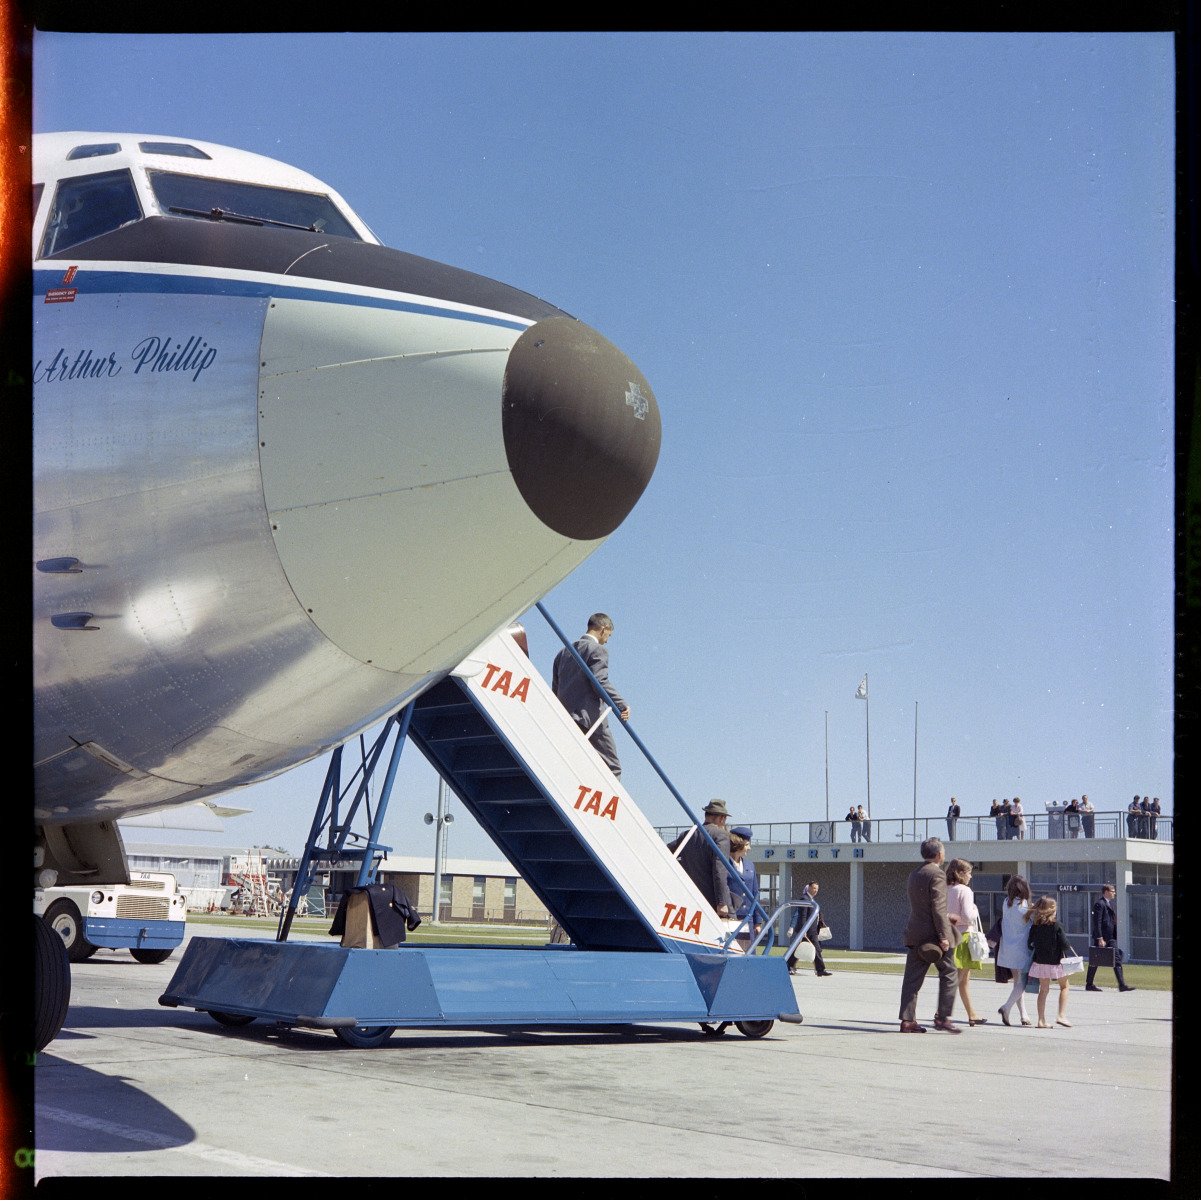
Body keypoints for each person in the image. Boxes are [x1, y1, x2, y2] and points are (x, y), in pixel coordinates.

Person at [551, 612, 630, 777]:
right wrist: (621, 705)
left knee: (573, 764)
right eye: (609, 635)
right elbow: (599, 682)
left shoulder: (563, 652)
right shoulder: (598, 650)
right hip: (589, 718)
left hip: (565, 718)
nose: (608, 639)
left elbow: (555, 688)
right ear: (604, 628)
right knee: (612, 767)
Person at [898, 838, 961, 1033]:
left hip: (915, 934)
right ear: (940, 854)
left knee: (912, 980)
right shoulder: (937, 874)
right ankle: (942, 1017)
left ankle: (907, 1021)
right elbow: (938, 907)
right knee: (950, 973)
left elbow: (925, 906)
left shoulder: (915, 874)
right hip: (934, 936)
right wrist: (944, 935)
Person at [668, 800, 732, 916]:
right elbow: (720, 870)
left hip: (687, 898)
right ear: (721, 818)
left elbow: (666, 852)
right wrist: (722, 902)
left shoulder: (687, 835)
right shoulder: (721, 836)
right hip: (711, 902)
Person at [945, 858, 985, 1024]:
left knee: (963, 980)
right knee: (959, 978)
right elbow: (968, 916)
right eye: (968, 873)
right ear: (960, 874)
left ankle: (972, 1014)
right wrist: (975, 910)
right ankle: (942, 1012)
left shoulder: (945, 889)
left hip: (950, 935)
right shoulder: (965, 891)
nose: (970, 876)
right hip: (964, 936)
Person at [1025, 896, 1074, 1028]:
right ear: (1052, 910)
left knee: (1044, 990)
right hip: (1056, 962)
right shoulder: (1057, 925)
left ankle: (1041, 1020)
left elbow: (1030, 943)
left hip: (1040, 962)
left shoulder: (1036, 925)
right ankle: (1061, 1015)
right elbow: (1064, 944)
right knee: (1064, 986)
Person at [994, 875, 1034, 1026]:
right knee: (1023, 982)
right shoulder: (1026, 906)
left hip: (1008, 947)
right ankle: (1007, 1007)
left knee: (1018, 982)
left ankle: (1024, 1015)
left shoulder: (1006, 903)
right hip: (1022, 948)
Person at [1085, 883, 1135, 993]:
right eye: (1112, 891)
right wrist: (1099, 938)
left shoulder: (1109, 904)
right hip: (1103, 937)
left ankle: (1122, 985)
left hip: (1110, 937)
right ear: (1106, 892)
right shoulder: (1100, 904)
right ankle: (1089, 984)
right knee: (1095, 960)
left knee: (1116, 958)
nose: (1114, 893)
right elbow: (1097, 922)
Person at [787, 881, 832, 976]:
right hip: (806, 930)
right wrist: (803, 930)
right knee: (808, 949)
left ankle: (819, 969)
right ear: (809, 888)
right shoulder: (805, 899)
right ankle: (820, 969)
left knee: (805, 949)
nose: (816, 890)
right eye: (814, 888)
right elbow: (802, 916)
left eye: (817, 889)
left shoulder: (811, 899)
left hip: (812, 930)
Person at [725, 826, 759, 949]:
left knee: (748, 953)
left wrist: (757, 922)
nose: (749, 848)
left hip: (747, 919)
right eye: (747, 845)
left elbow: (755, 893)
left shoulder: (750, 866)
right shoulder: (723, 864)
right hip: (730, 918)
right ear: (738, 845)